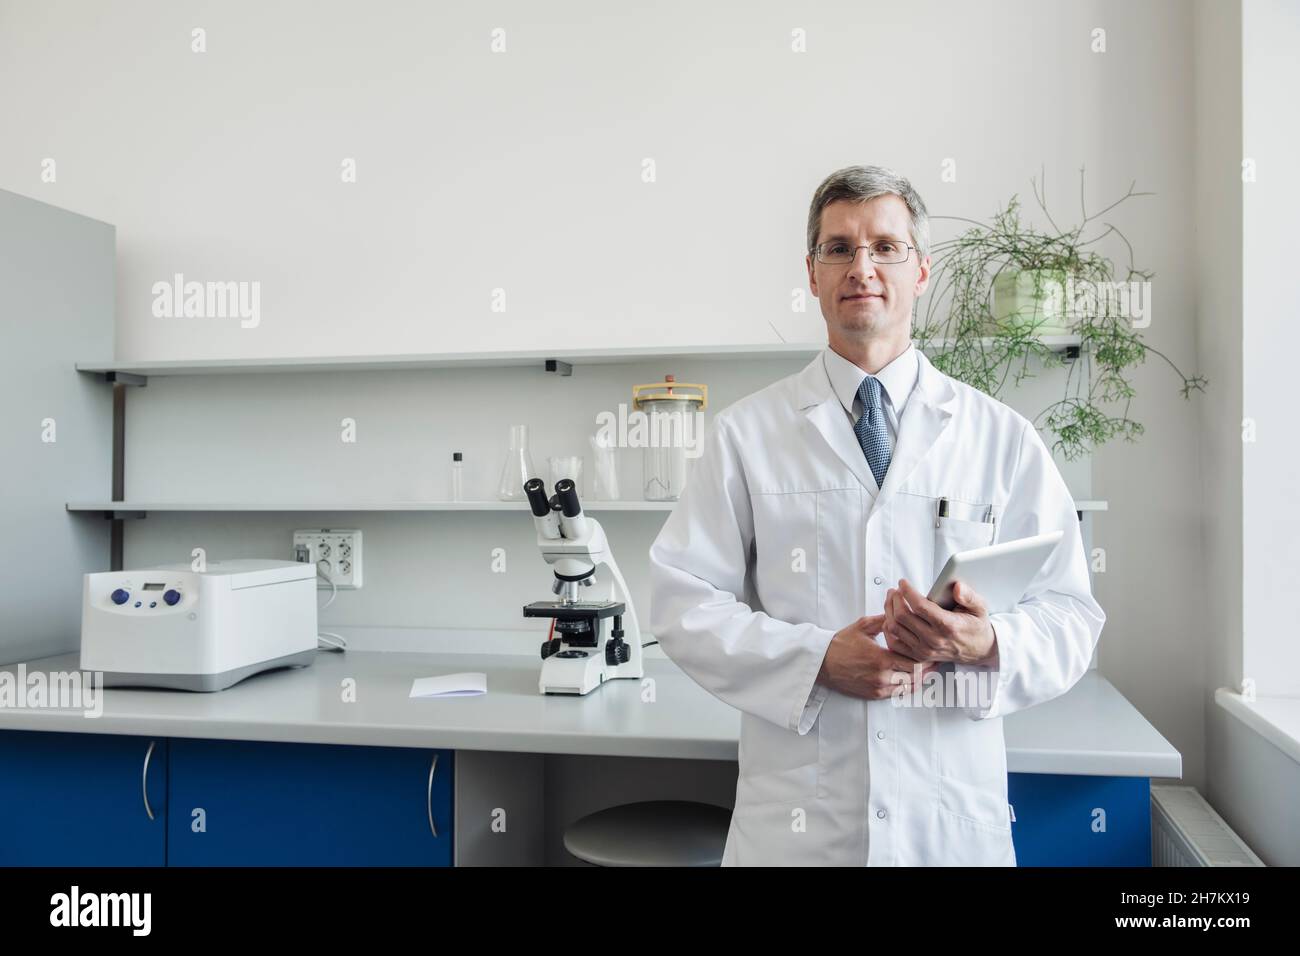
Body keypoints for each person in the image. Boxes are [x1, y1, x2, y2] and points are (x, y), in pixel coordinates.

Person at [648, 165, 1104, 866]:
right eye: (840, 248)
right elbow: (682, 603)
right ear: (812, 272)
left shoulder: (1000, 437)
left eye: (886, 247)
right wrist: (818, 660)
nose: (863, 267)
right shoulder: (747, 435)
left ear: (921, 271)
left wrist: (982, 644)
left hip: (947, 825)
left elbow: (1072, 615)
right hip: (799, 831)